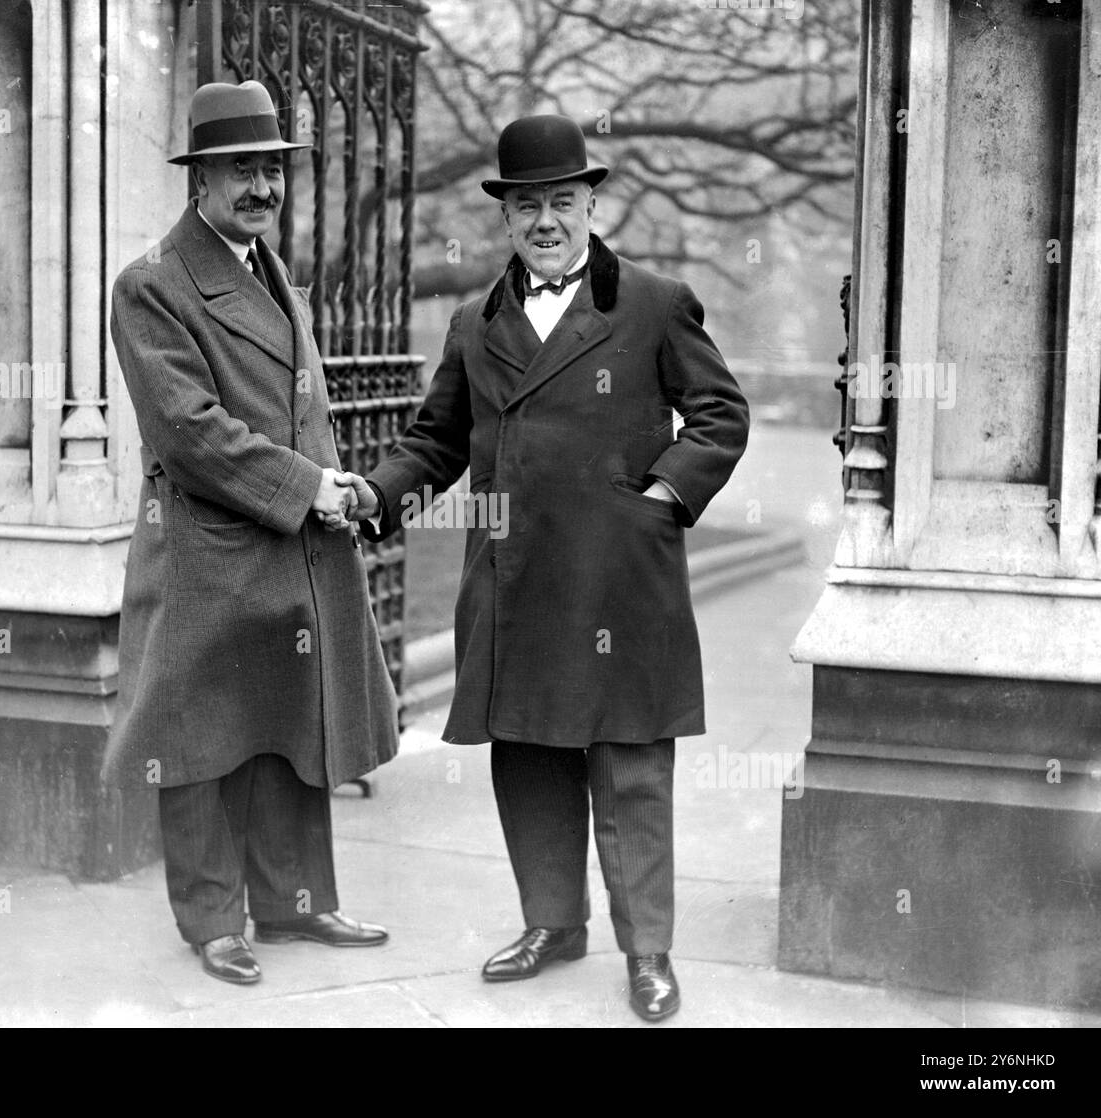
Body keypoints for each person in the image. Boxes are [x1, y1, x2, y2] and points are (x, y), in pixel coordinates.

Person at [343, 114, 748, 1022]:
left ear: (591, 204)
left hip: (620, 577)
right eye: (527, 206)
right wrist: (377, 498)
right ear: (507, 216)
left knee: (630, 763)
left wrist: (665, 500)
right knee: (528, 757)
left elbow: (721, 414)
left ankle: (647, 951)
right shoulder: (473, 322)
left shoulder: (651, 302)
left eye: (562, 201)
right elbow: (435, 442)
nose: (546, 221)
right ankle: (553, 925)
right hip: (516, 580)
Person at [104, 81, 398, 986]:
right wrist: (310, 488)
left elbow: (299, 412)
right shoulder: (153, 285)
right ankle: (211, 921)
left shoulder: (274, 273)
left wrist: (335, 484)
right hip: (209, 549)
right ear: (201, 180)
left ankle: (296, 905)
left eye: (272, 168)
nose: (263, 186)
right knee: (201, 741)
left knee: (291, 727)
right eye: (243, 169)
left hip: (295, 539)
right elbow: (189, 432)